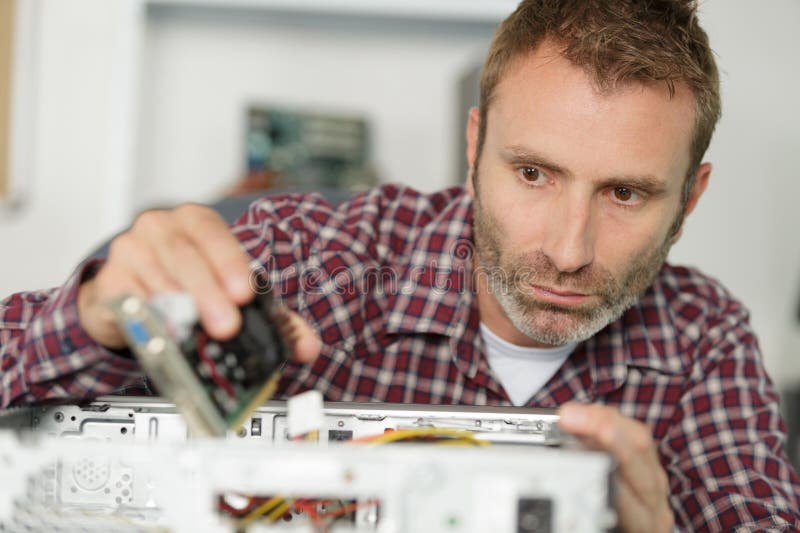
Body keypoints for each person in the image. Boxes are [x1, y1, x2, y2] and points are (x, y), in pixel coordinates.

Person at [1, 0, 798, 530]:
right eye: (532, 173)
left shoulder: (702, 337)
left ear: (689, 197)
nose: (568, 247)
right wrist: (90, 317)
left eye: (625, 192)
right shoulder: (312, 262)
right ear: (474, 144)